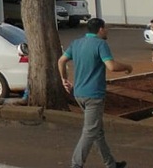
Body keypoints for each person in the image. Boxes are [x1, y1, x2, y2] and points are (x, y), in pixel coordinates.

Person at [57, 17, 132, 168]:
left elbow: (61, 61)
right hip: (94, 95)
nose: (107, 31)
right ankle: (76, 165)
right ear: (100, 29)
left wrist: (64, 79)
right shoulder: (100, 44)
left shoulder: (76, 43)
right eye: (106, 28)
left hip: (79, 93)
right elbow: (111, 66)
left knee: (97, 131)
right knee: (90, 131)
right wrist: (127, 66)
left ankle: (111, 163)